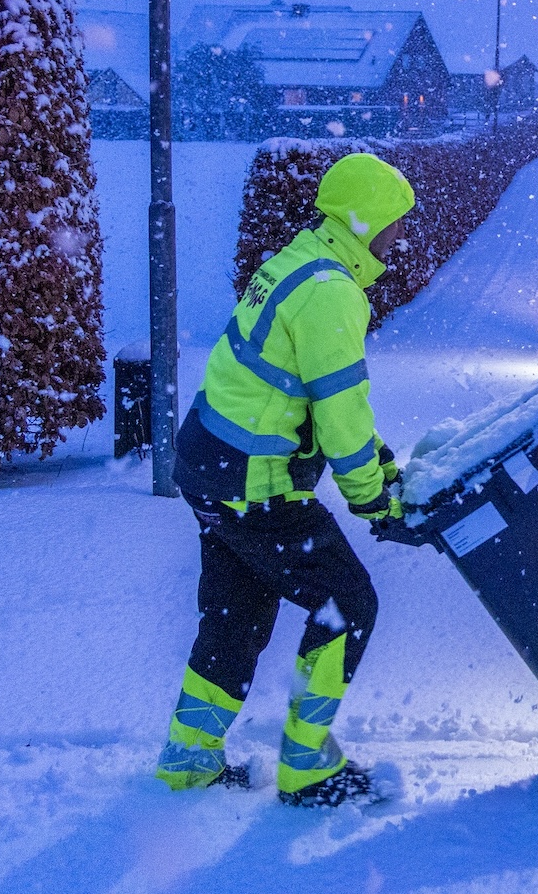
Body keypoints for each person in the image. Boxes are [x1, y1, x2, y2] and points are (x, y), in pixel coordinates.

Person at [154, 152, 414, 807]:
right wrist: (375, 500)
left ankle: (188, 759)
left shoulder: (301, 261)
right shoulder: (331, 291)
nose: (398, 235)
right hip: (254, 483)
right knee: (348, 603)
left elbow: (330, 405)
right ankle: (306, 770)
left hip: (210, 466)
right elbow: (341, 416)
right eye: (393, 221)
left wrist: (382, 465)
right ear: (365, 220)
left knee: (236, 614)